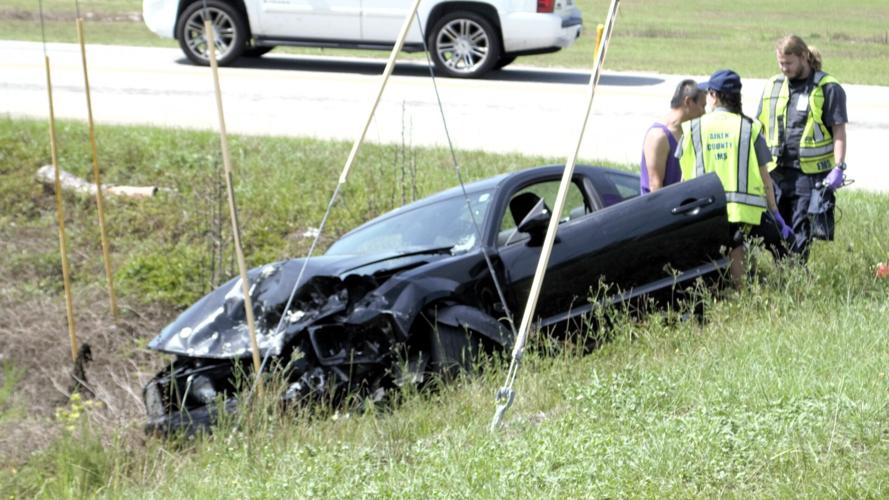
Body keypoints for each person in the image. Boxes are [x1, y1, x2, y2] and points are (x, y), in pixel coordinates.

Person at [677, 69, 790, 288]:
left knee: (706, 254)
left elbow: (683, 177)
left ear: (715, 96)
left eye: (708, 94)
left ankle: (711, 293)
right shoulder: (749, 127)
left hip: (703, 208)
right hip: (743, 211)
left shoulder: (692, 128)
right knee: (747, 247)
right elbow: (766, 178)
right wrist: (775, 212)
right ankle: (742, 294)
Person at [757, 35, 848, 261]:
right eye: (780, 63)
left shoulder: (828, 88)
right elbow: (759, 127)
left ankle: (795, 280)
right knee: (775, 231)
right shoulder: (773, 85)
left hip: (808, 176)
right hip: (776, 173)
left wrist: (839, 166)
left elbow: (839, 131)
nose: (784, 68)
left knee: (800, 234)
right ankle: (783, 274)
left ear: (804, 57)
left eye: (789, 63)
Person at [640, 79, 706, 194]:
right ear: (688, 102)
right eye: (702, 106)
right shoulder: (658, 136)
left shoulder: (688, 133)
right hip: (661, 210)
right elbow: (655, 185)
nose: (704, 112)